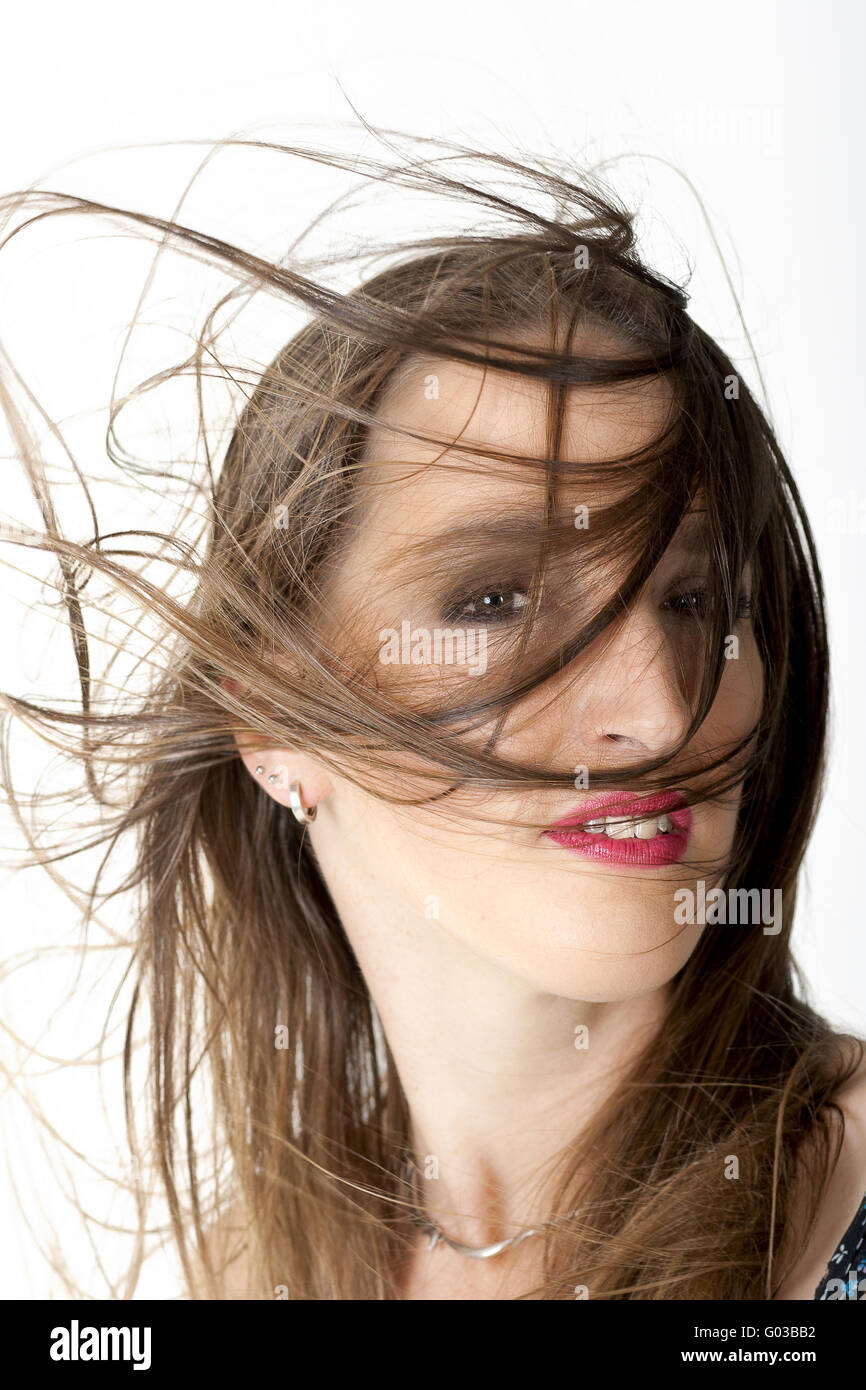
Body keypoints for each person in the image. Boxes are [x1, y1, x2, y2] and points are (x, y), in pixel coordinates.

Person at [3, 138, 864, 1300]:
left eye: (694, 600)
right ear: (267, 717)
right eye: (494, 599)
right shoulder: (243, 1273)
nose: (660, 714)